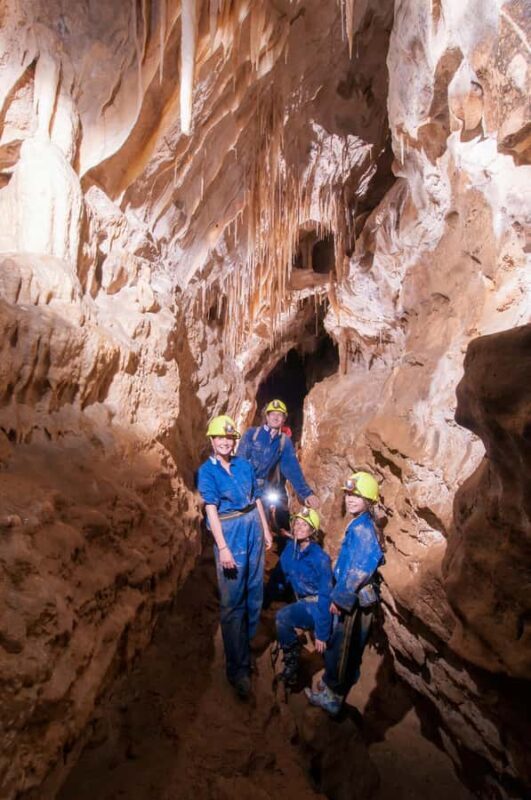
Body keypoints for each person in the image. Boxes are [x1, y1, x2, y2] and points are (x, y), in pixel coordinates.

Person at [196, 414, 273, 699]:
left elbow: (256, 499)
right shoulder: (207, 471)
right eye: (220, 438)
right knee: (232, 602)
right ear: (212, 440)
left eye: (229, 438)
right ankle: (237, 669)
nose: (225, 442)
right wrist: (223, 547)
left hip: (253, 526)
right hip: (230, 531)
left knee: (254, 592)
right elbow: (211, 510)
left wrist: (266, 529)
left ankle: (246, 647)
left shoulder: (243, 465)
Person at [305, 471, 384, 716]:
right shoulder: (360, 523)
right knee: (344, 646)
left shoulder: (363, 530)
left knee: (342, 648)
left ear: (368, 501)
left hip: (354, 601)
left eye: (356, 496)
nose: (350, 499)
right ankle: (332, 684)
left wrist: (340, 600)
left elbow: (359, 570)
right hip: (353, 596)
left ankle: (333, 696)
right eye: (348, 495)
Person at [266, 507, 333, 688]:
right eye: (297, 523)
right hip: (302, 600)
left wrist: (322, 633)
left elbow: (325, 595)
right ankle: (292, 661)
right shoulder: (291, 549)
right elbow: (279, 577)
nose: (298, 528)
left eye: (305, 525)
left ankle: (299, 666)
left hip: (318, 604)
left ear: (312, 531)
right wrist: (265, 600)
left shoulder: (320, 558)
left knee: (283, 617)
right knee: (283, 617)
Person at [237, 399, 319, 535]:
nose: (275, 417)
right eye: (272, 414)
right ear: (267, 416)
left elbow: (293, 470)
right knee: (241, 528)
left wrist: (307, 494)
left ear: (284, 419)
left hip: (263, 492)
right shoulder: (252, 434)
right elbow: (239, 462)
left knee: (260, 531)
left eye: (279, 415)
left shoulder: (284, 442)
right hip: (244, 489)